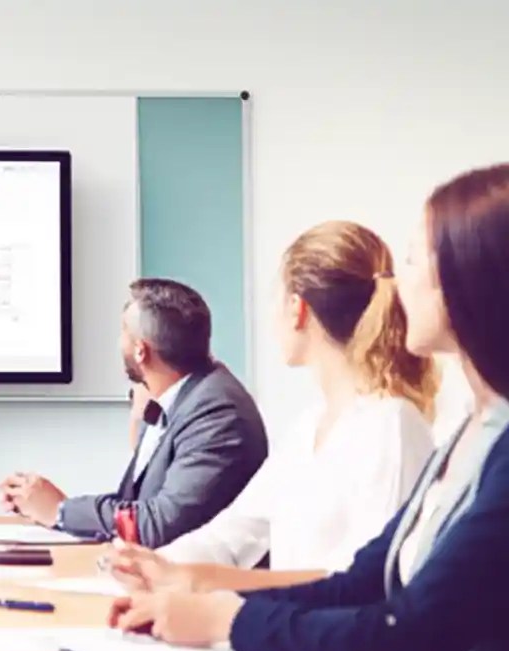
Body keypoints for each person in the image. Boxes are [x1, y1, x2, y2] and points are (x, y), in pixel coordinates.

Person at [109, 164, 509, 651]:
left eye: (414, 259)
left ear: (467, 279)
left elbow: (409, 629)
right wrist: (197, 590)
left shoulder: (452, 438)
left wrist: (226, 620)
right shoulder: (469, 432)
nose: (397, 280)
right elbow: (360, 582)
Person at [106, 222, 439, 593]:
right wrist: (155, 564)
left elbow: (367, 586)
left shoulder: (390, 427)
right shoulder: (309, 427)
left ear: (297, 309)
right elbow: (231, 537)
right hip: (287, 637)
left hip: (325, 645)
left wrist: (205, 581)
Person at [0, 278, 269, 547]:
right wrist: (44, 506)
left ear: (141, 351)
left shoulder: (217, 412)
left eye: (123, 332)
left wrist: (60, 510)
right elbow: (137, 505)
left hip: (198, 584)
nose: (119, 342)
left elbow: (159, 524)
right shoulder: (180, 396)